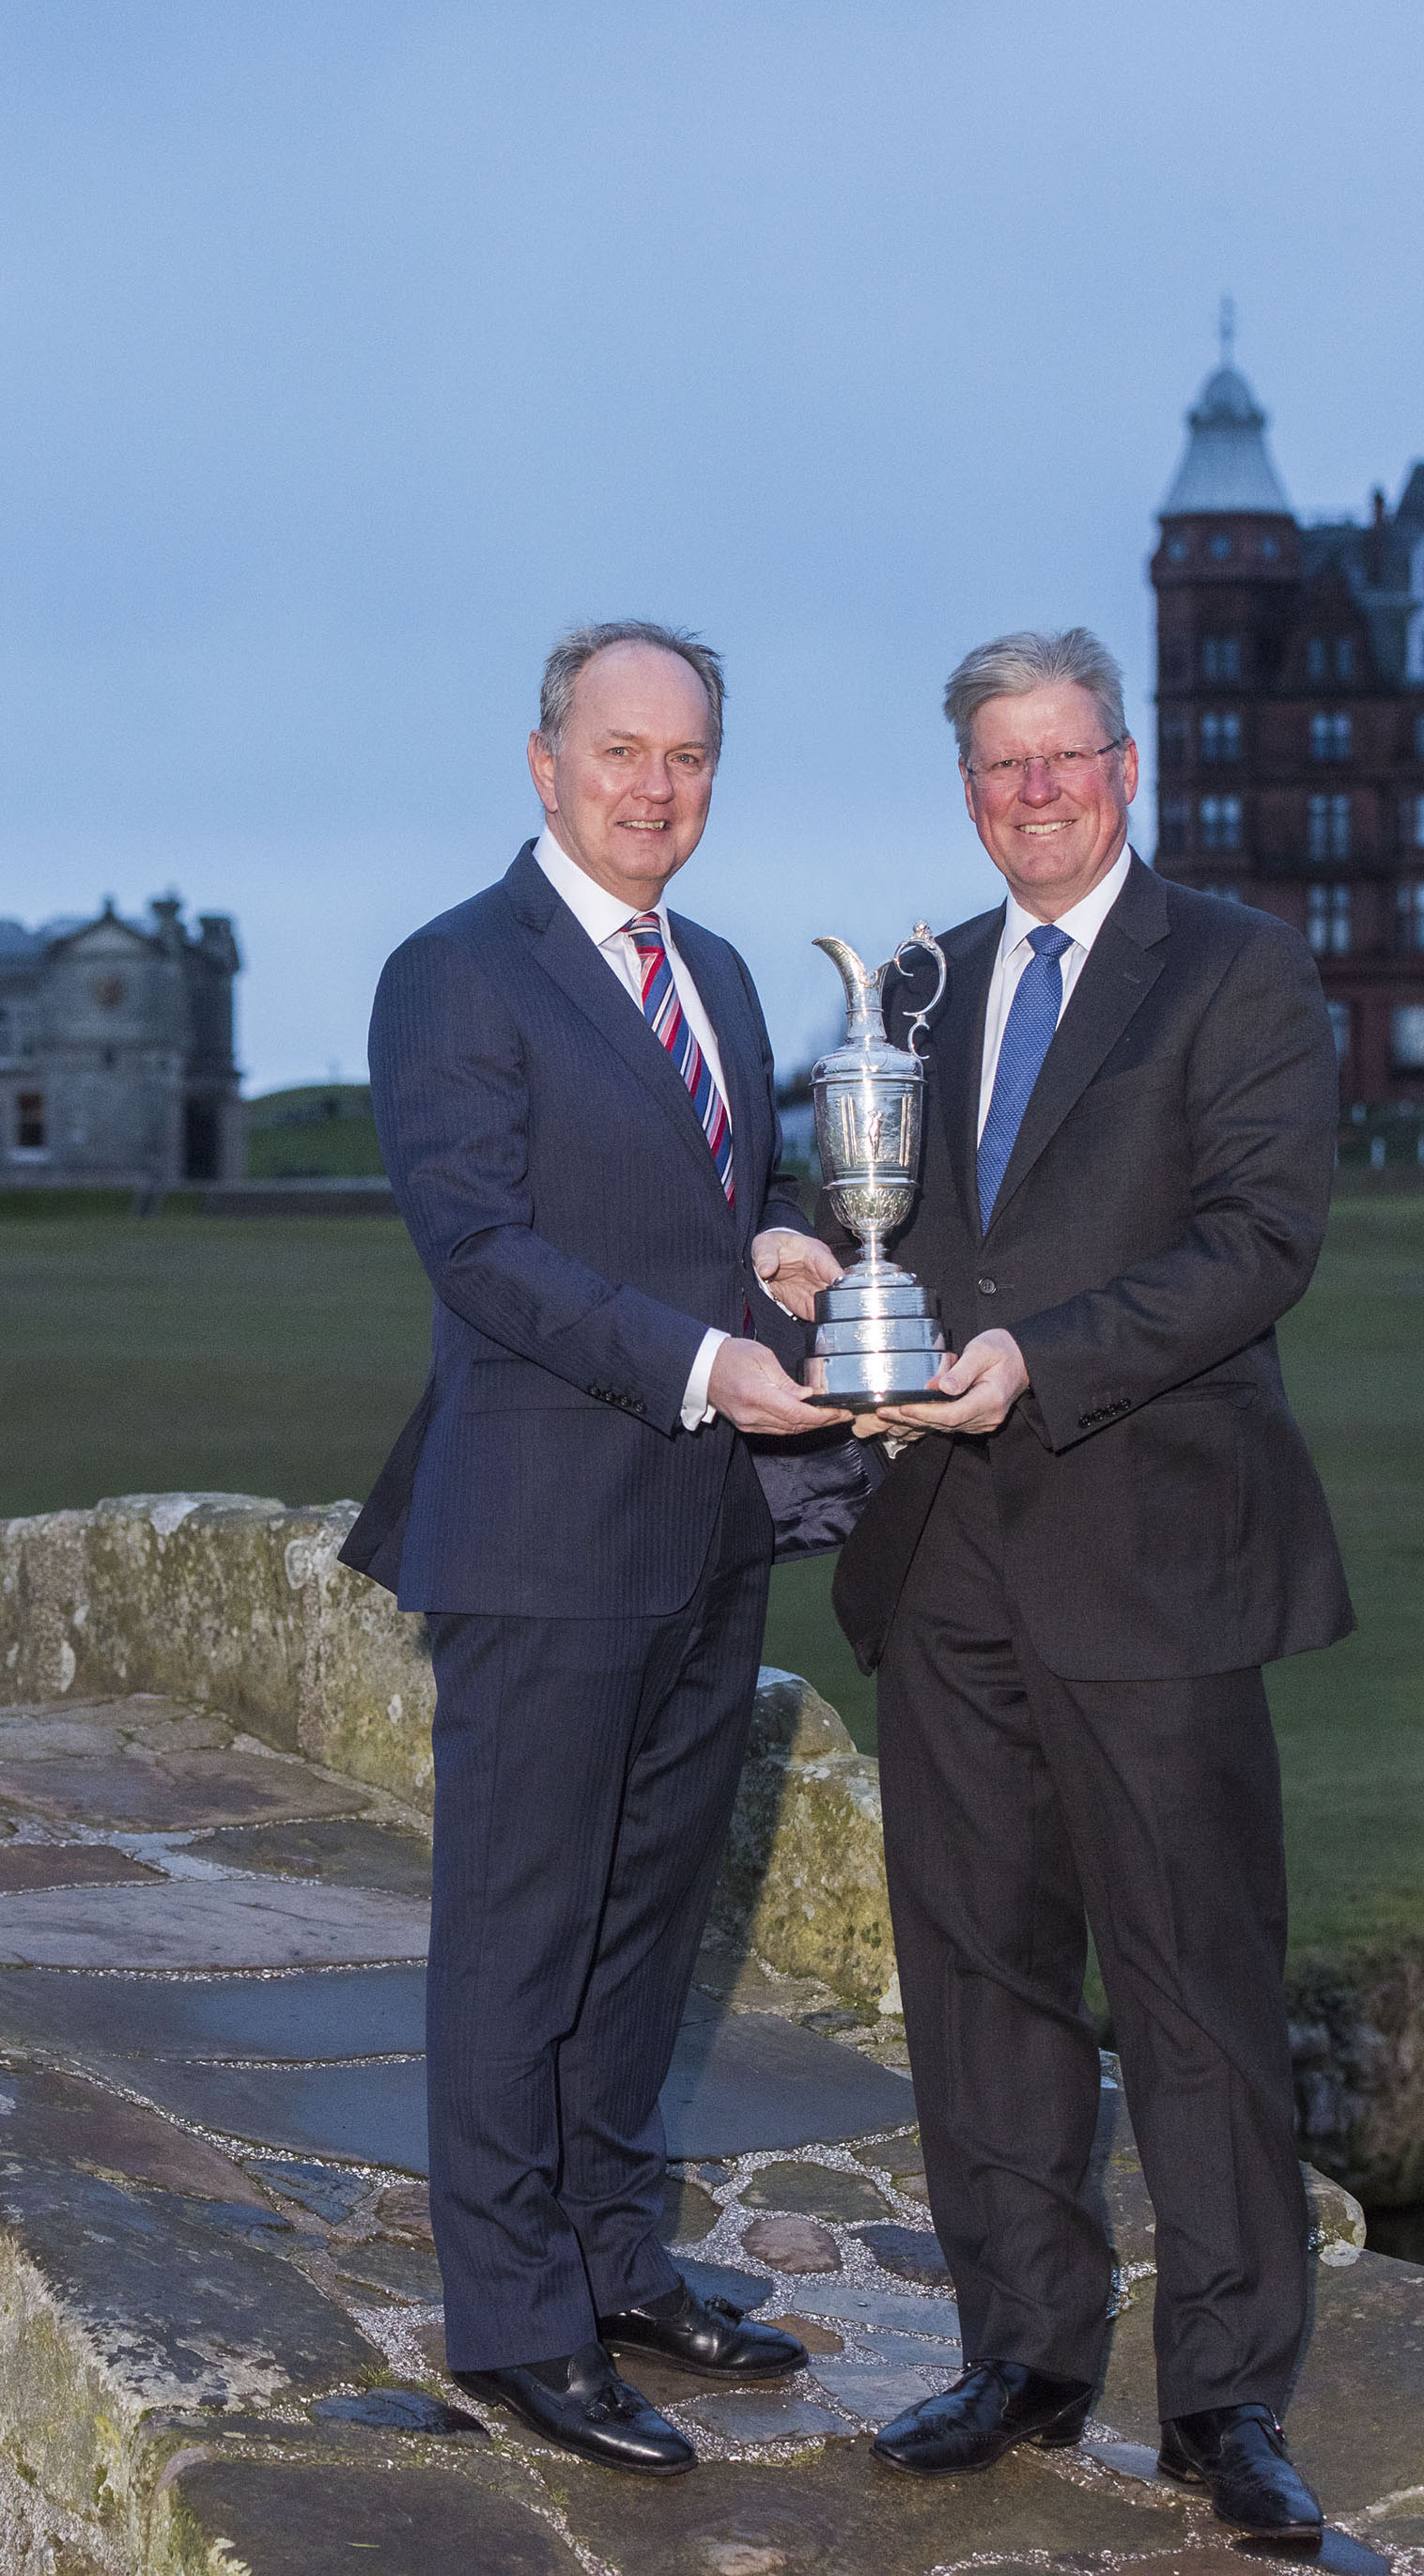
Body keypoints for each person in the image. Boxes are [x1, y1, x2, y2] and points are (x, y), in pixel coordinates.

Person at [832, 628, 1354, 2544]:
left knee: (1198, 1997)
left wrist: (1045, 1354)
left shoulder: (1234, 968)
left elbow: (1263, 1239)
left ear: (1123, 771)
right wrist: (816, 1273)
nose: (1034, 795)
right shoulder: (917, 981)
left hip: (1154, 1557)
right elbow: (869, 1210)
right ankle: (1026, 2353)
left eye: (1066, 761)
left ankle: (1228, 2405)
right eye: (999, 768)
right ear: (965, 788)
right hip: (945, 1550)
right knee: (980, 1983)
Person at [342, 621, 841, 2477]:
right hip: (544, 1532)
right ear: (541, 760)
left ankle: (620, 2261)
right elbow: (483, 1251)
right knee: (519, 1934)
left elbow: (704, 1193)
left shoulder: (711, 969)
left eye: (689, 759)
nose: (655, 786)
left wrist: (778, 1245)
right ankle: (518, 2323)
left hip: (703, 1528)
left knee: (644, 1927)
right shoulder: (453, 975)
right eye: (620, 750)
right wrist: (709, 1354)